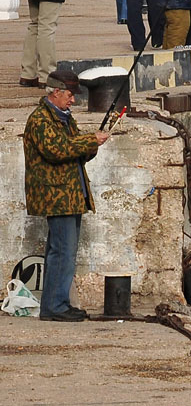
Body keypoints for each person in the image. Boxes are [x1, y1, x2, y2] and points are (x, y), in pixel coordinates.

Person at [23, 68, 111, 321]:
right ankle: (55, 306)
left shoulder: (64, 118)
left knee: (62, 250)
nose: (73, 100)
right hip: (57, 198)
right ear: (56, 93)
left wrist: (93, 144)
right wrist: (89, 140)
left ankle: (57, 302)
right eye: (70, 95)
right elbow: (57, 150)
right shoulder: (40, 119)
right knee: (62, 250)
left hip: (71, 195)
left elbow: (75, 151)